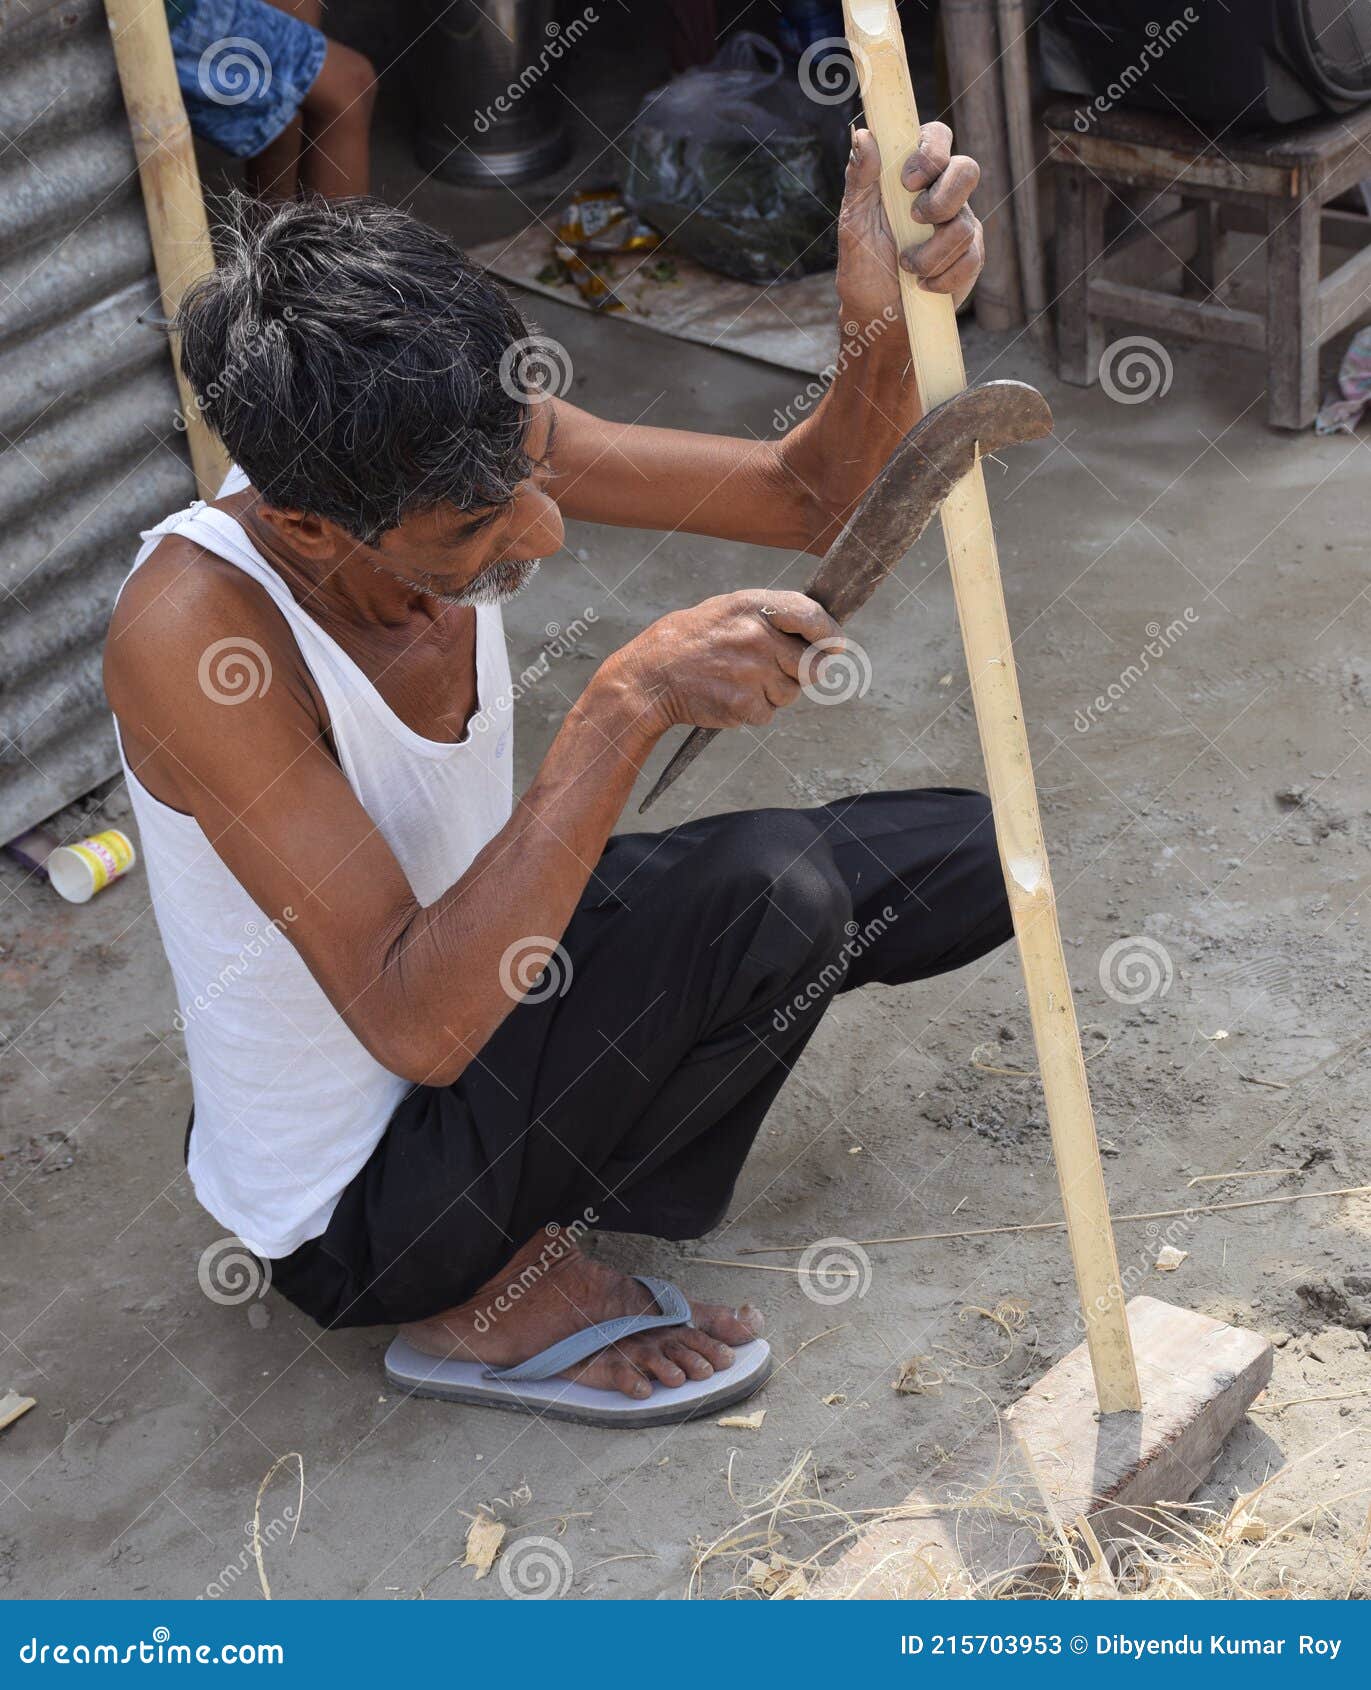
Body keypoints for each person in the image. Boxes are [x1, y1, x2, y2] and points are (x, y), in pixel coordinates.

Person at [105, 128, 1002, 1424]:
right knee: (776, 897)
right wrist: (623, 702)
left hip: (480, 978)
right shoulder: (194, 634)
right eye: (472, 530)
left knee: (958, 859)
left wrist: (876, 322)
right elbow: (413, 1022)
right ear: (306, 525)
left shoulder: (452, 426)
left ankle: (571, 1175)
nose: (544, 526)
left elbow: (805, 493)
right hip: (363, 1198)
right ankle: (482, 1290)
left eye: (525, 471)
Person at [165, 0, 377, 198]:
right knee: (350, 87)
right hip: (163, 14)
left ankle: (275, 223)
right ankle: (307, 233)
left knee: (297, 9)